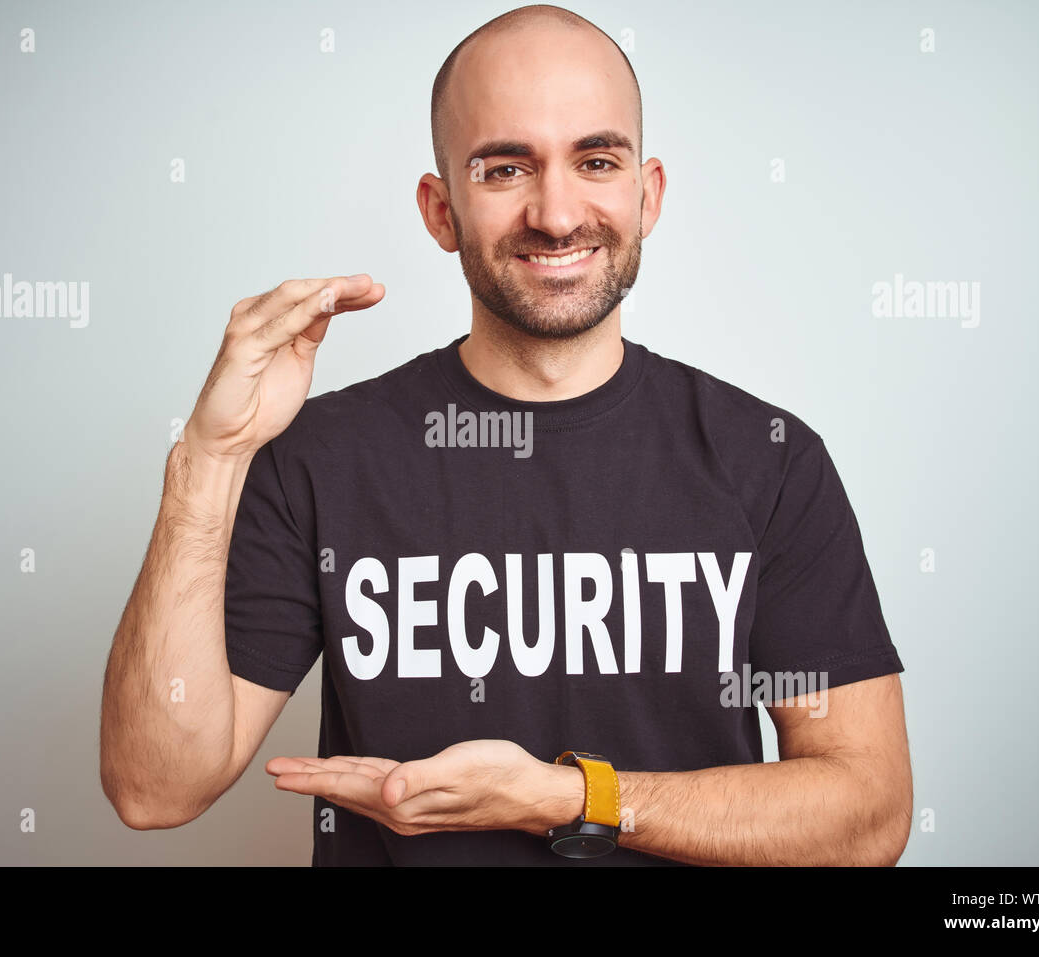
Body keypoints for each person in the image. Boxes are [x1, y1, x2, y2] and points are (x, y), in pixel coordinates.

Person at [100, 4, 912, 867]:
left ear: (649, 194)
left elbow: (868, 813)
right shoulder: (319, 458)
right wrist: (207, 460)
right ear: (440, 209)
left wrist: (565, 798)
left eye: (596, 161)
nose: (557, 214)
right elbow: (156, 787)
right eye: (504, 169)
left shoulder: (770, 460)